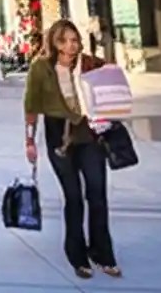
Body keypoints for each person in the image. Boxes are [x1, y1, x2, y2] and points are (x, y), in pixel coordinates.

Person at [23, 19, 120, 279]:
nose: (70, 46)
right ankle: (77, 255)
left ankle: (102, 252)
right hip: (60, 137)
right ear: (53, 42)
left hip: (90, 134)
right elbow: (31, 106)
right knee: (73, 197)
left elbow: (112, 89)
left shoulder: (91, 64)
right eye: (63, 40)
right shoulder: (41, 68)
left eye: (74, 40)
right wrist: (29, 141)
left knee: (97, 194)